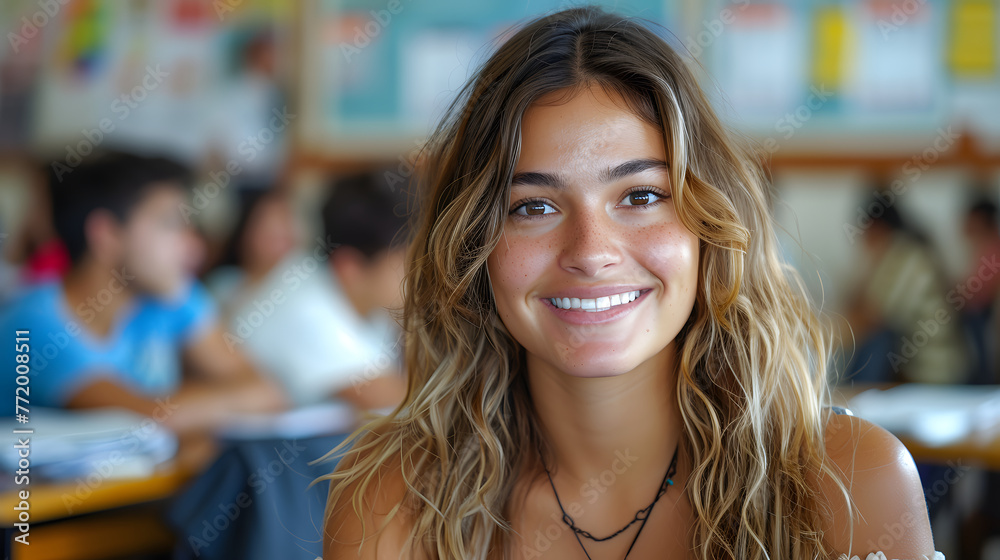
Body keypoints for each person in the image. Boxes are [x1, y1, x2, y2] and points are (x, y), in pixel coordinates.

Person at [318, 7, 941, 560]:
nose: (591, 254)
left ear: (709, 229)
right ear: (474, 245)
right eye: (534, 206)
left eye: (641, 196)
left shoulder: (854, 484)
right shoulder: (389, 502)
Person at [0, 151, 288, 437]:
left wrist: (184, 408)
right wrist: (211, 402)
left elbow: (268, 393)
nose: (194, 245)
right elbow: (146, 420)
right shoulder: (34, 324)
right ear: (107, 234)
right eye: (172, 224)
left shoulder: (172, 295)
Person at [205, 173, 409, 410]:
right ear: (350, 267)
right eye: (408, 261)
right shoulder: (305, 307)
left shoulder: (361, 296)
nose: (424, 274)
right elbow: (401, 401)